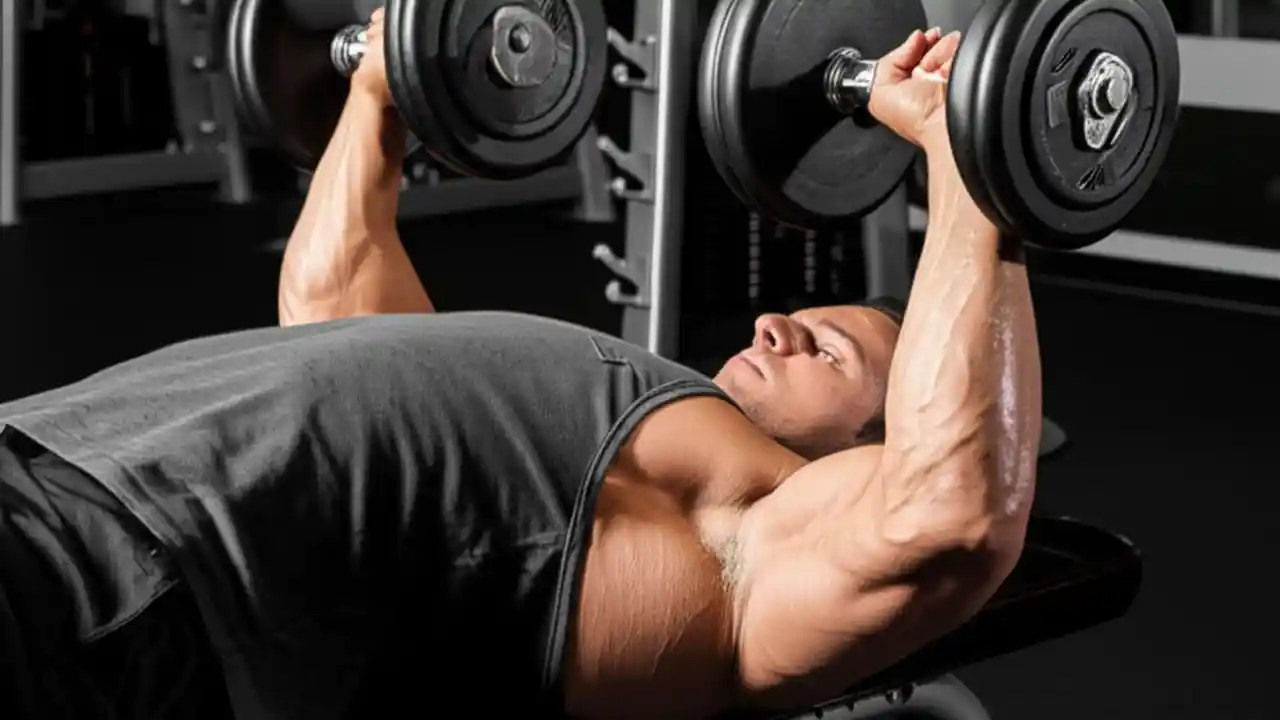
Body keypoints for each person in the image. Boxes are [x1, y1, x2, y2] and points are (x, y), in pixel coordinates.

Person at [0, 16, 1040, 720]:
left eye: (830, 347)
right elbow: (331, 313)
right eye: (796, 316)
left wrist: (972, 169)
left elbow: (946, 510)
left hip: (114, 576)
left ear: (885, 432)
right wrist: (385, 91)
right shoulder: (607, 415)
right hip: (46, 463)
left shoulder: (737, 542)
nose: (775, 325)